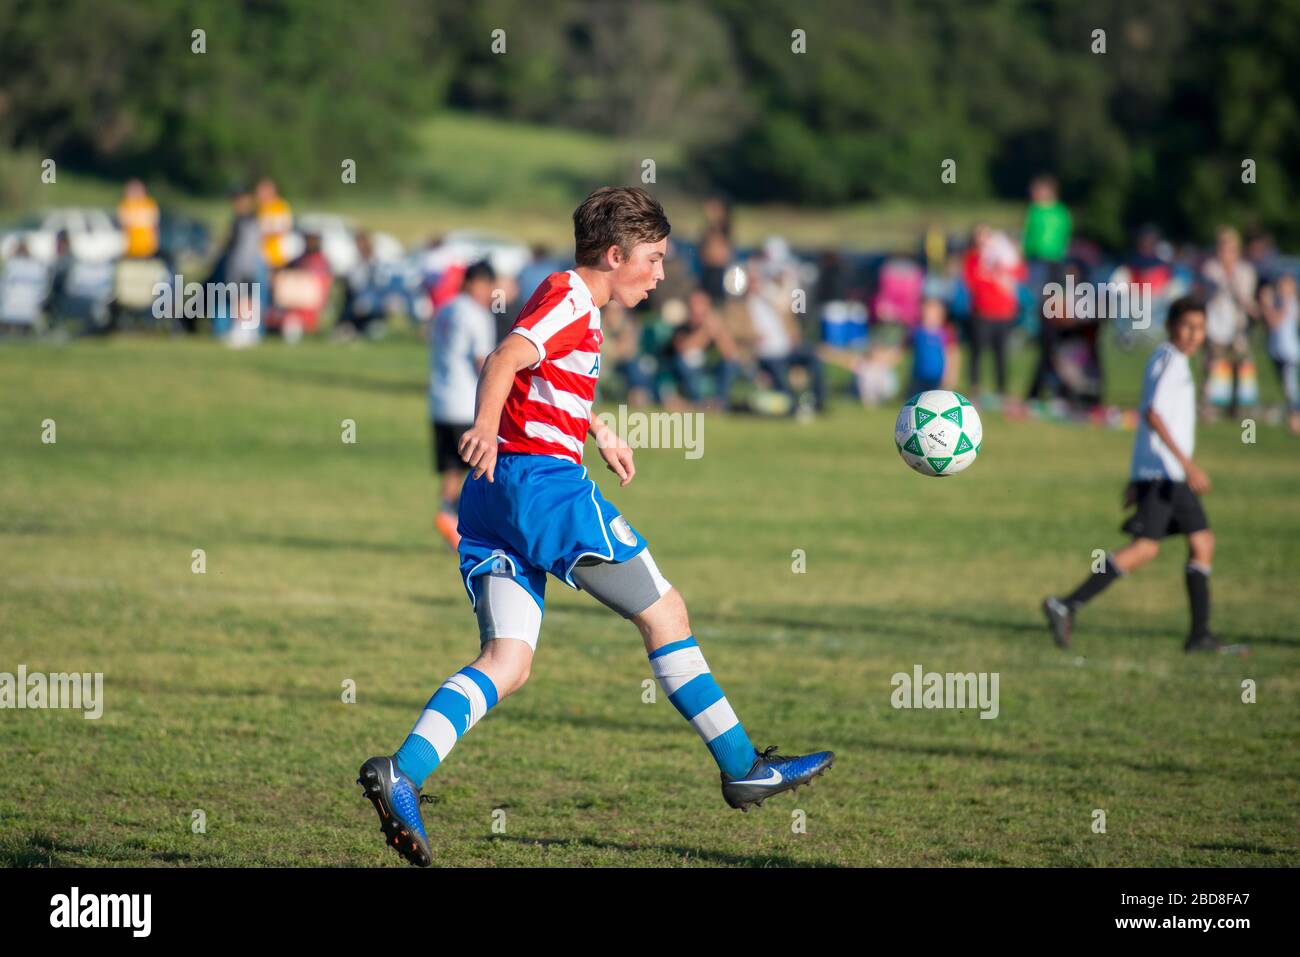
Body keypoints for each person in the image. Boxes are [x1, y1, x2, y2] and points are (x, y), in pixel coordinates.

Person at [359, 187, 833, 867]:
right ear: (615, 255)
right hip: (543, 492)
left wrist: (599, 428)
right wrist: (487, 429)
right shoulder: (570, 298)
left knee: (508, 661)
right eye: (655, 258)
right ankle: (741, 765)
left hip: (492, 502)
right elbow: (503, 362)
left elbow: (545, 381)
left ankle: (402, 772)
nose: (662, 273)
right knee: (666, 611)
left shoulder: (569, 299)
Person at [1042, 297, 1245, 655]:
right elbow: (1152, 415)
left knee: (1199, 543)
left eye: (1200, 328)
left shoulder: (1172, 361)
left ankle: (1199, 634)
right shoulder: (1170, 361)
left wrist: (1137, 476)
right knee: (1147, 548)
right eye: (1188, 327)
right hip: (1167, 475)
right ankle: (1067, 605)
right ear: (1171, 327)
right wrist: (1187, 465)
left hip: (1160, 473)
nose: (1194, 335)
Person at [428, 260, 498, 549]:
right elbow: (483, 362)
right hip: (465, 402)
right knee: (479, 471)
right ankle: (464, 530)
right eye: (486, 285)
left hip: (439, 401)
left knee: (451, 471)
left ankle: (449, 522)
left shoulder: (445, 309)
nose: (489, 292)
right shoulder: (475, 314)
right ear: (473, 283)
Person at [1201, 226, 1258, 418]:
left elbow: (1245, 297)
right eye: (1222, 247)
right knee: (1212, 366)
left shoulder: (1245, 270)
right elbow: (1212, 289)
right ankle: (1207, 406)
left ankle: (1238, 408)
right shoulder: (1211, 268)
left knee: (1240, 367)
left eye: (1229, 248)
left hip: (1237, 326)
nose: (1224, 252)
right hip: (1215, 325)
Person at [964, 224, 1024, 403]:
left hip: (1004, 313)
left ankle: (1002, 391)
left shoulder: (1005, 256)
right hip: (982, 313)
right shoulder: (973, 258)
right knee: (977, 353)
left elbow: (1019, 275)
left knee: (1001, 354)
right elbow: (972, 281)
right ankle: (975, 390)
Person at [1259, 273, 1300, 435]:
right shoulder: (1283, 302)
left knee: (1291, 389)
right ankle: (1292, 418)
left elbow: (1273, 321)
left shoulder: (1288, 303)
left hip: (1288, 352)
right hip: (1278, 351)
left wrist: (1266, 304)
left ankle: (1295, 421)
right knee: (1286, 387)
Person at [117, 179, 160, 260]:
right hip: (130, 247)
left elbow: (154, 225)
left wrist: (155, 242)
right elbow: (123, 224)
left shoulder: (149, 204)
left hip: (146, 246)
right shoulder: (126, 204)